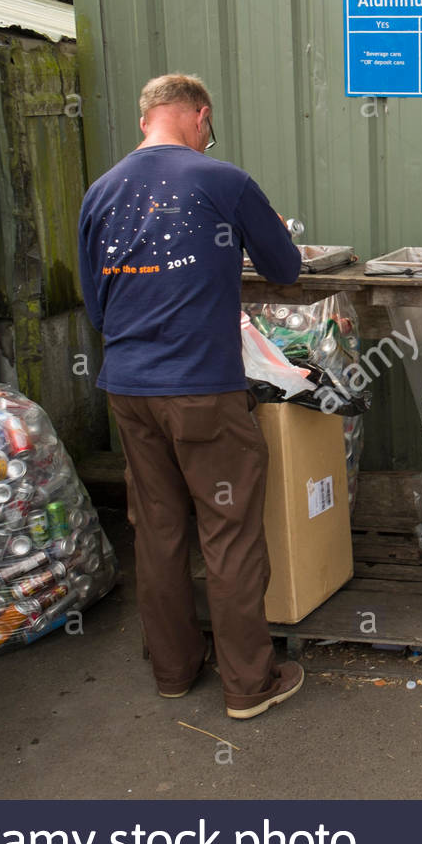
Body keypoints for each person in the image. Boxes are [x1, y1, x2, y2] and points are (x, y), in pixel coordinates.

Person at [78, 73, 305, 719]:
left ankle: (175, 671)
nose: (209, 137)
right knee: (229, 531)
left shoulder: (100, 192)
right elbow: (284, 268)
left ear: (147, 117)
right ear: (198, 116)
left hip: (128, 389)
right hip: (202, 389)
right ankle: (248, 684)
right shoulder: (220, 180)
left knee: (156, 528)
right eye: (209, 127)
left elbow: (98, 307)